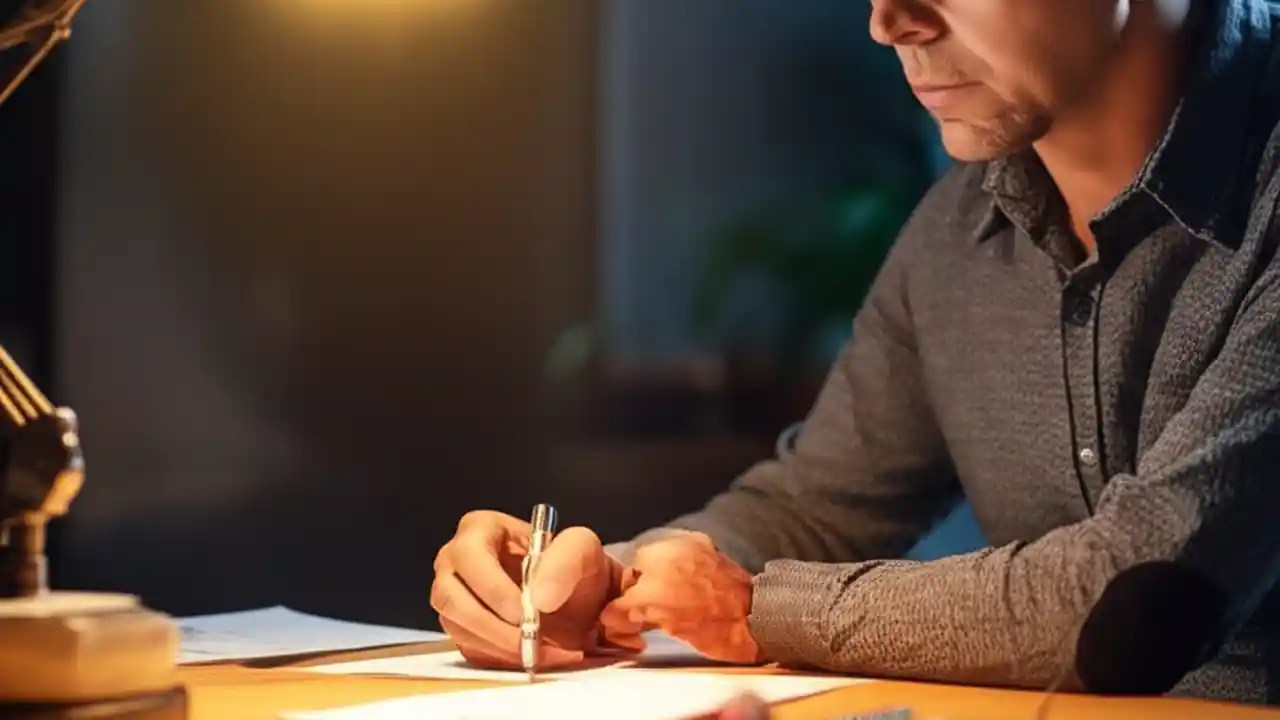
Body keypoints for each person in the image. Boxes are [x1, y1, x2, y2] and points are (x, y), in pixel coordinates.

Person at [433, 0, 1280, 704]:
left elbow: (1142, 593)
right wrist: (597, 585)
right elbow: (816, 509)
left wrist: (754, 610)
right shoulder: (956, 232)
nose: (889, 19)